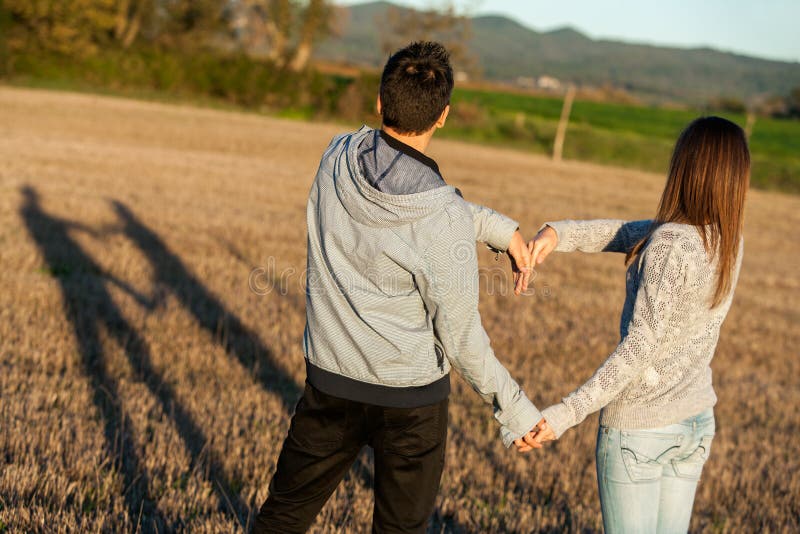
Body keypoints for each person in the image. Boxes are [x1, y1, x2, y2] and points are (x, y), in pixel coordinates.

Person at [254, 41, 544, 533]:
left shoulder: (335, 156)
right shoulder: (442, 214)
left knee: (282, 518)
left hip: (330, 383)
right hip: (412, 405)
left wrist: (500, 230)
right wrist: (514, 409)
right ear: (443, 116)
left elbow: (430, 218)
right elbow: (461, 338)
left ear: (379, 101)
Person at [519, 116, 750, 533]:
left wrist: (565, 414)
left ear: (687, 168)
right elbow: (628, 233)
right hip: (696, 423)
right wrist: (559, 233)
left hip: (642, 433)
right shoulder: (726, 239)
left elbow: (639, 349)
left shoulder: (671, 243)